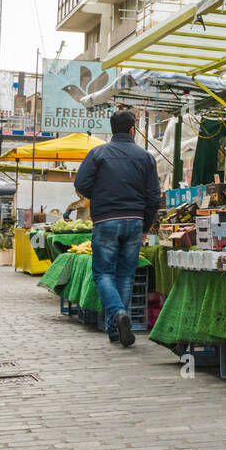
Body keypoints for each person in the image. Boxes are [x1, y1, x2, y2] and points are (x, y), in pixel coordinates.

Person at [74, 109, 160, 348]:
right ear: (133, 129)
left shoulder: (97, 153)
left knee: (103, 273)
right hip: (134, 221)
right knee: (126, 275)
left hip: (106, 221)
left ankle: (117, 315)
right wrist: (146, 225)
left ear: (113, 129)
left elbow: (81, 184)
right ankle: (116, 327)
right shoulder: (146, 157)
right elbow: (154, 196)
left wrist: (100, 197)